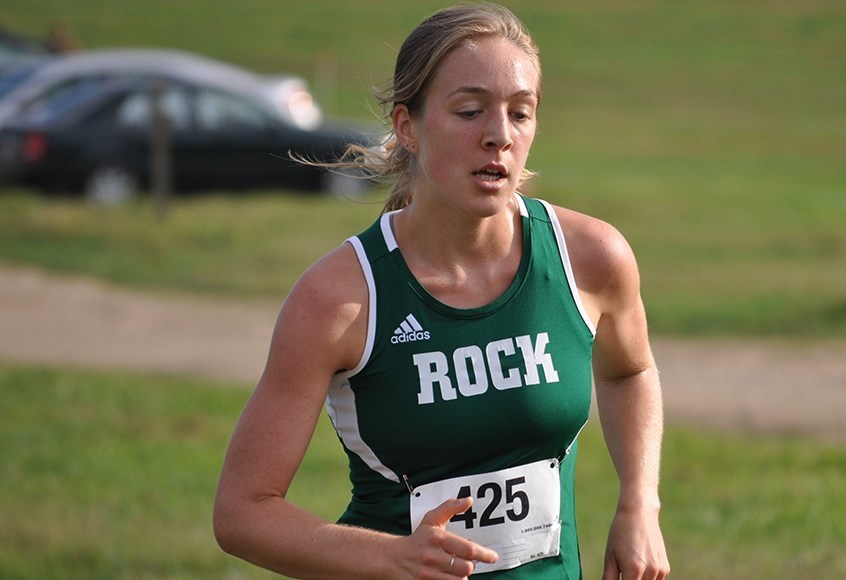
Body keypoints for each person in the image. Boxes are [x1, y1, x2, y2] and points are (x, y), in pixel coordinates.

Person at [213, 3, 670, 578]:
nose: (499, 136)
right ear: (408, 127)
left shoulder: (591, 258)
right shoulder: (341, 299)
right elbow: (242, 513)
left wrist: (639, 503)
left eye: (521, 113)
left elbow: (630, 370)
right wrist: (394, 557)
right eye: (470, 111)